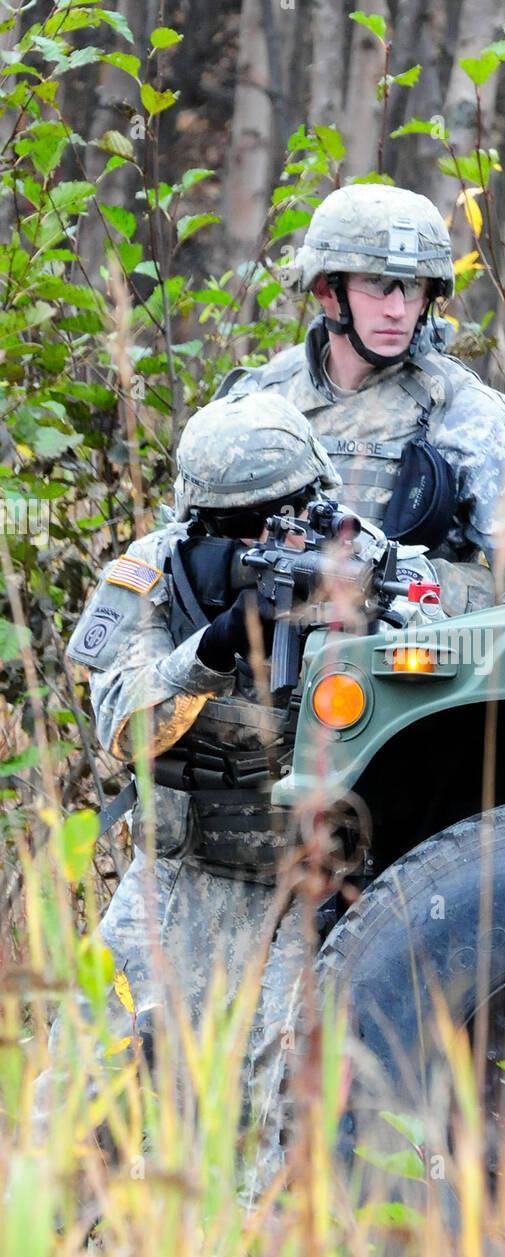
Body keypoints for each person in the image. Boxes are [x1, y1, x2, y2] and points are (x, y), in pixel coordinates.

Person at [46, 393, 437, 1195]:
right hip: (183, 872)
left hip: (315, 884)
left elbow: (447, 696)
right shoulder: (157, 571)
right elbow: (119, 726)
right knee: (81, 1079)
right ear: (200, 522)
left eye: (290, 514)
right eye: (244, 524)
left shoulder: (382, 563)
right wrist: (216, 643)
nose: (271, 537)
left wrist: (373, 626)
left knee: (287, 1118)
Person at [215, 183, 505, 615]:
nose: (397, 309)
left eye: (411, 287)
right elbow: (180, 552)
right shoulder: (260, 403)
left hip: (404, 673)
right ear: (324, 287)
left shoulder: (467, 415)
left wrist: (417, 585)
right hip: (255, 673)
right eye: (377, 283)